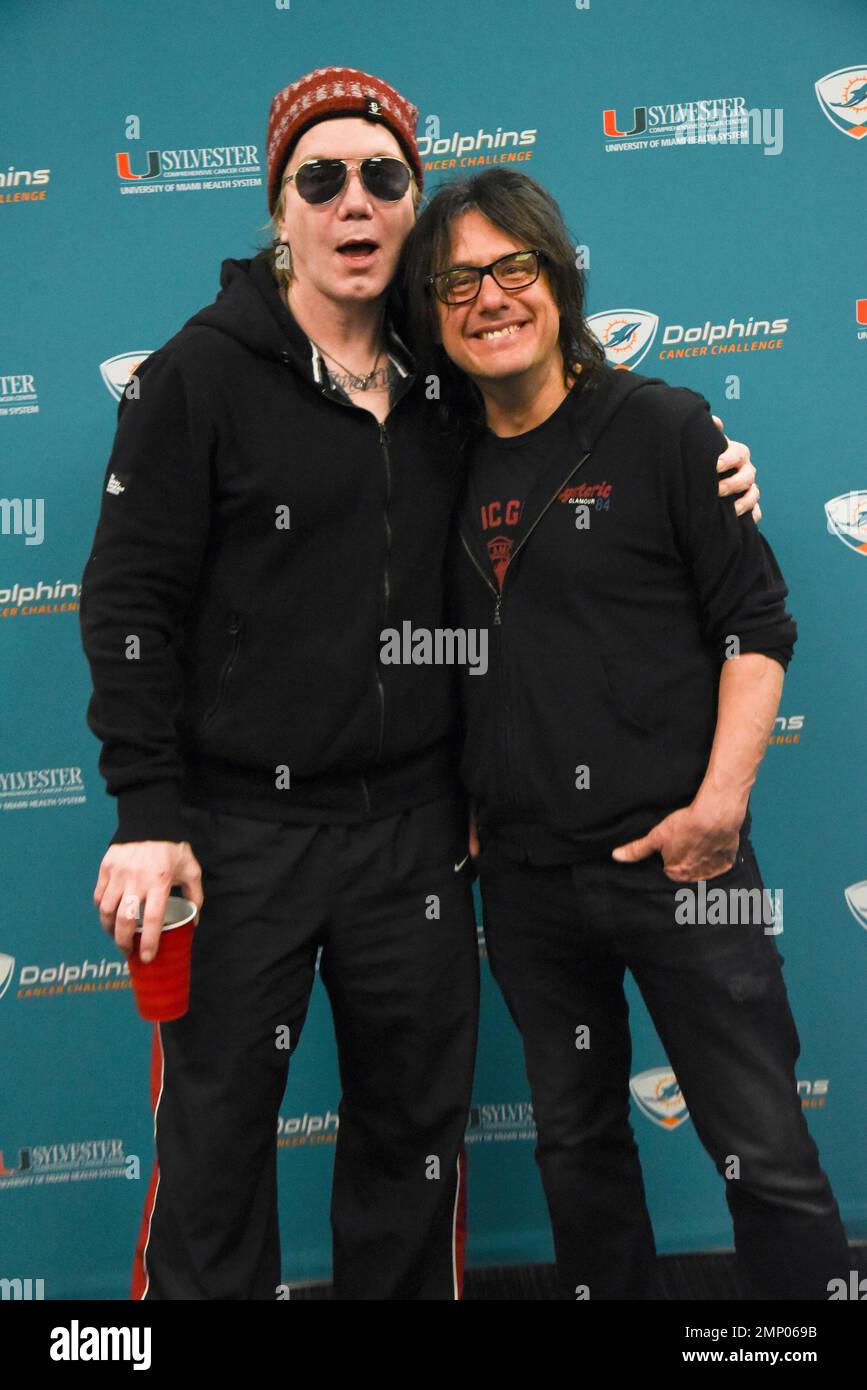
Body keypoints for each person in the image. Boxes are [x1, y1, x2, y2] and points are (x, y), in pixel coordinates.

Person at [80, 68, 759, 1302]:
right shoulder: (197, 376)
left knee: (412, 1148)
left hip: (418, 838)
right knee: (215, 1155)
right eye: (320, 178)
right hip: (238, 839)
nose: (354, 201)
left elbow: (577, 423)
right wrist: (146, 812)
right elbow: (128, 606)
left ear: (410, 206)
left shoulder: (446, 374)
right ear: (277, 207)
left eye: (383, 177)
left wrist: (709, 457)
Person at [401, 167, 851, 1300]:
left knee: (766, 1151)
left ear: (560, 280)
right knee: (578, 1150)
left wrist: (719, 809)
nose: (490, 297)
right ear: (433, 313)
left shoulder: (663, 428)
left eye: (515, 268)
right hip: (528, 880)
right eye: (458, 281)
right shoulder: (431, 458)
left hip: (685, 867)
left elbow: (758, 626)